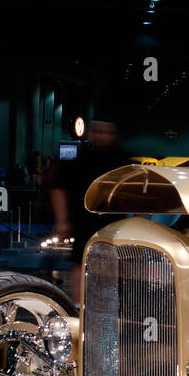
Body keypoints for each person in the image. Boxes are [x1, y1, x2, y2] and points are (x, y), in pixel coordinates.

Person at [50, 118, 133, 298]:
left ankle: (114, 305)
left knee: (117, 263)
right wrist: (62, 220)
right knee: (81, 263)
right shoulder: (81, 160)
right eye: (99, 132)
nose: (102, 136)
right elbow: (59, 188)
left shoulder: (123, 160)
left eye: (106, 132)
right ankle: (78, 308)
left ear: (113, 135)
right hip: (85, 222)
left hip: (116, 224)